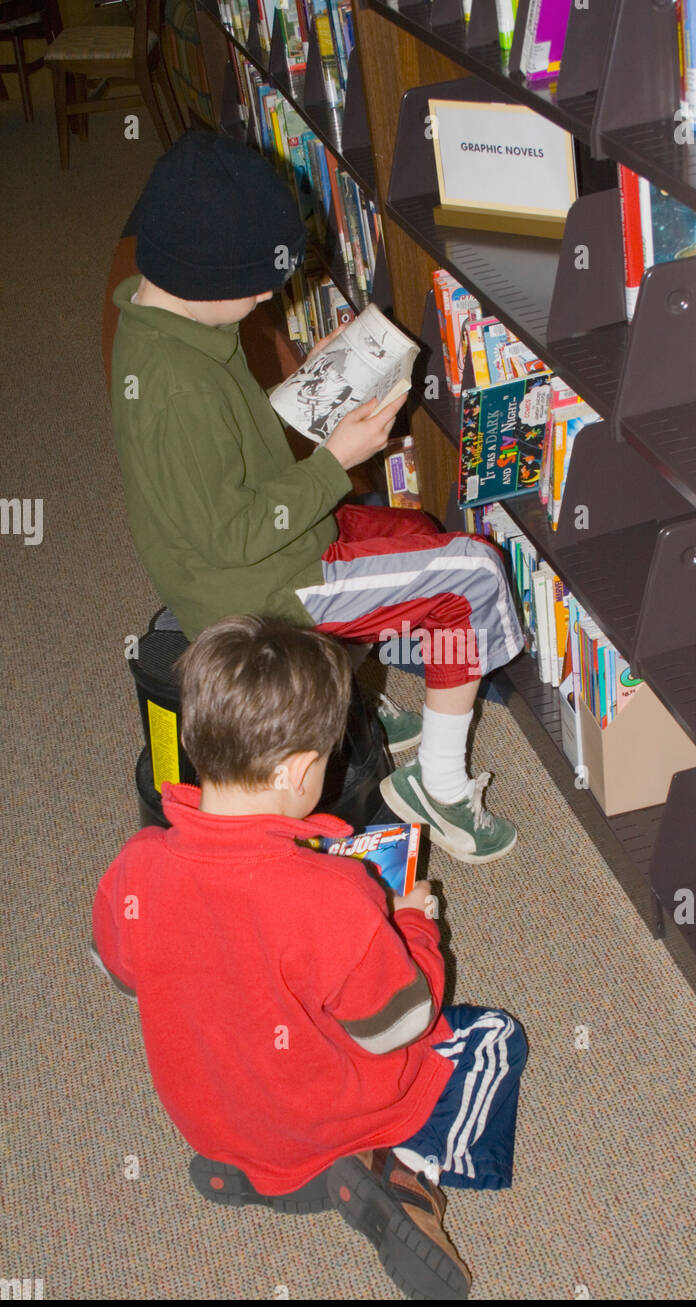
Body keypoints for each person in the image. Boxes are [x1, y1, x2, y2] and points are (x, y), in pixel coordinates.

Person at [111, 129, 525, 863]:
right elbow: (232, 532)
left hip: (269, 548)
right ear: (205, 273)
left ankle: (344, 699)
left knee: (414, 534)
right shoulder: (177, 389)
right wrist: (335, 461)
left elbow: (226, 448)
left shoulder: (168, 324)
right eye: (256, 282)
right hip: (261, 590)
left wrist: (317, 381)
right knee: (473, 576)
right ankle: (439, 786)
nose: (268, 294)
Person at [91, 616, 527, 1301]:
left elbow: (120, 968)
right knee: (495, 1039)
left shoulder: (136, 865)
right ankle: (405, 1170)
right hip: (323, 1112)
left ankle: (253, 1166)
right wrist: (414, 926)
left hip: (213, 1117)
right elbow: (399, 1023)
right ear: (298, 772)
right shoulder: (331, 894)